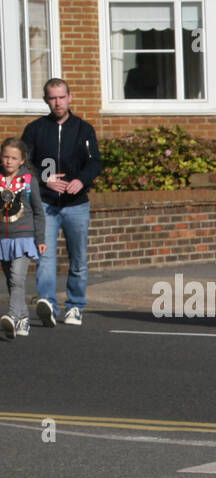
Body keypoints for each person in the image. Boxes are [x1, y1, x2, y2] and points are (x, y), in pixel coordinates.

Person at [22, 78, 101, 328]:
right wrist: (45, 180)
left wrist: (81, 180)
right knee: (45, 258)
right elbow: (25, 163)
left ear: (70, 98)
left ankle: (75, 306)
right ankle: (47, 303)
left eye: (61, 97)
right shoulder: (34, 130)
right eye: (52, 98)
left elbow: (95, 162)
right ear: (46, 100)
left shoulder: (84, 129)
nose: (58, 102)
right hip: (45, 204)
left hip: (76, 204)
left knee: (78, 258)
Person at [0, 138, 46, 339]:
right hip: (3, 239)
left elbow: (38, 211)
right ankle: (23, 319)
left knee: (17, 278)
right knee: (11, 281)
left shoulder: (28, 181)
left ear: (21, 161)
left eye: (13, 158)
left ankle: (11, 315)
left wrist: (40, 238)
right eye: (5, 157)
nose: (9, 161)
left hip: (24, 237)